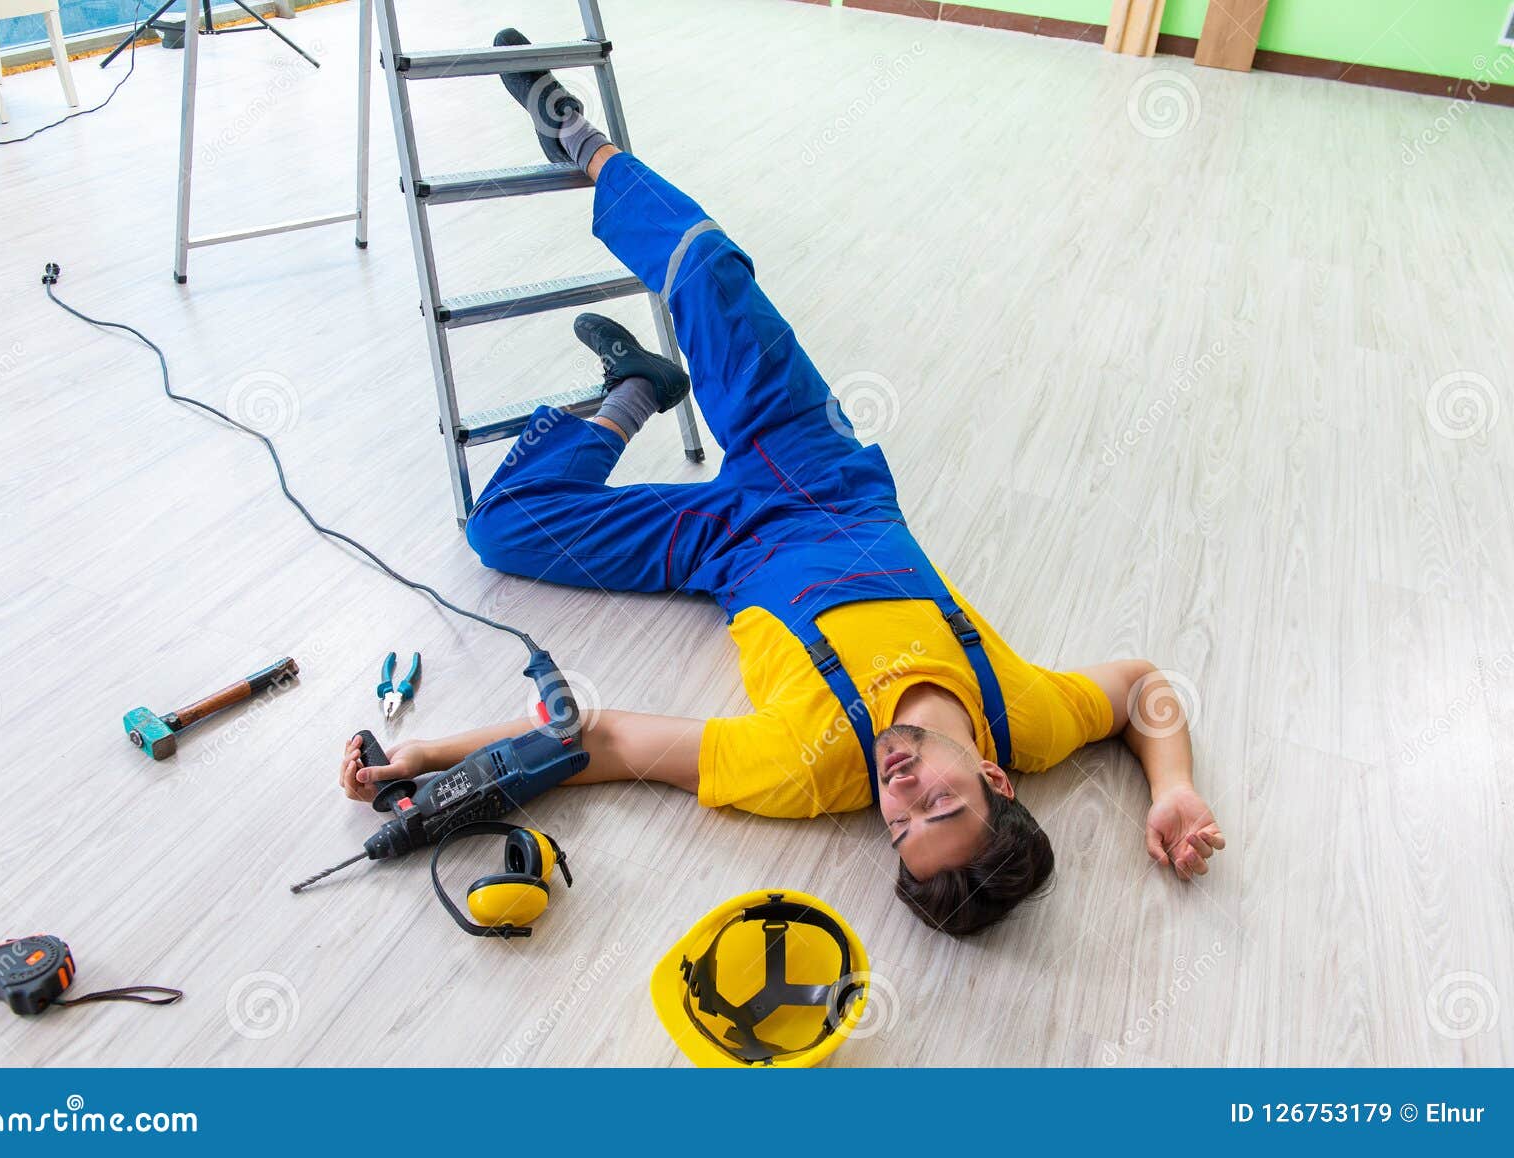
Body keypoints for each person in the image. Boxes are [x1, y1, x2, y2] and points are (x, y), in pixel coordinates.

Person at [339, 30, 1225, 936]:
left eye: (901, 828)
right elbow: (1139, 687)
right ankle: (579, 139)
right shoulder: (1029, 718)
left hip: (729, 548)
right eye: (941, 806)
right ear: (996, 778)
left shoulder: (807, 769)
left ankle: (635, 389)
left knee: (502, 530)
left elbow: (599, 742)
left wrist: (424, 757)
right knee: (707, 267)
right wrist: (1175, 785)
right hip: (818, 470)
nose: (902, 795)